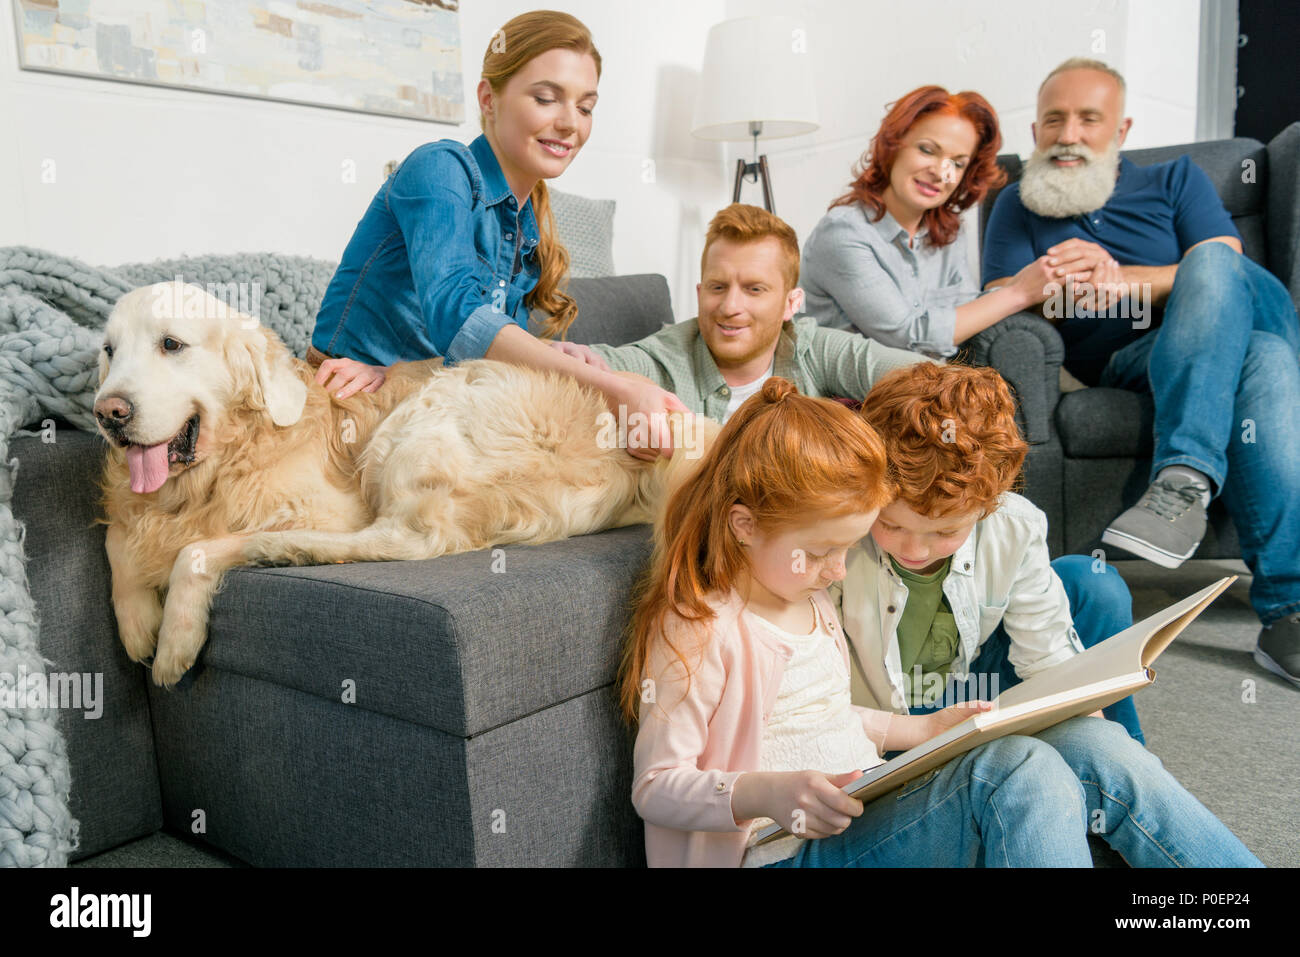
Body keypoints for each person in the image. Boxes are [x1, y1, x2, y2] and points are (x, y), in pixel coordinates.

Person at [620, 378, 1259, 867]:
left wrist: (918, 729)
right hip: (781, 847)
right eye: (887, 527)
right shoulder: (705, 623)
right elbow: (655, 787)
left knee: (1094, 745)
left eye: (944, 531)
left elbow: (822, 717)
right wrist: (765, 792)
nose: (841, 570)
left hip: (865, 800)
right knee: (1017, 770)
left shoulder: (805, 593)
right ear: (744, 526)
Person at [981, 57, 1300, 688]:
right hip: (1132, 360)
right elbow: (1001, 300)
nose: (1068, 132)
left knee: (1212, 267)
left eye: (1088, 118)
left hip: (1229, 311)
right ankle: (1290, 607)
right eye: (1054, 119)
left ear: (1120, 129)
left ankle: (1181, 479)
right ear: (1036, 129)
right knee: (1262, 360)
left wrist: (1124, 277)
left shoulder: (1176, 180)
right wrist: (1062, 287)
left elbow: (1224, 268)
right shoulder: (1017, 204)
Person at [306, 10, 685, 460]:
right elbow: (457, 315)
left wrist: (553, 352)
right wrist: (611, 388)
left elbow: (486, 354)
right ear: (489, 98)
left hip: (425, 407)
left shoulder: (527, 224)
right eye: (547, 98)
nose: (571, 123)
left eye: (585, 107)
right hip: (346, 404)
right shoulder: (440, 168)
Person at [842, 363, 1142, 741]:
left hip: (971, 692)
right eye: (892, 525)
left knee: (1092, 583)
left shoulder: (1014, 523)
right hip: (880, 720)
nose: (915, 549)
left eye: (946, 531)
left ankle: (1126, 755)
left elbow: (1049, 659)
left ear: (989, 504)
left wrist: (1104, 749)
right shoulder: (836, 533)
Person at [589, 203, 926, 423]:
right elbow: (572, 367)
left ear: (791, 304)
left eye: (754, 289)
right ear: (699, 292)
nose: (730, 307)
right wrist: (580, 364)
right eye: (717, 287)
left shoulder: (814, 349)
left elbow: (930, 379)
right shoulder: (666, 357)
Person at [799, 86, 1056, 357]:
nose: (940, 173)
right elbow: (906, 337)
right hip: (852, 396)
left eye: (957, 164)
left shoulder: (949, 232)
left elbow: (967, 312)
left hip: (927, 387)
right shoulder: (842, 233)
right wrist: (1017, 293)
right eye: (927, 150)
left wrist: (1036, 284)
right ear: (893, 147)